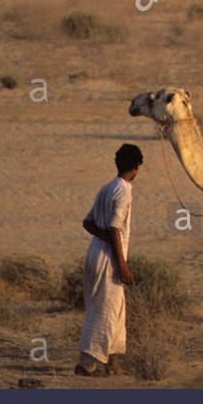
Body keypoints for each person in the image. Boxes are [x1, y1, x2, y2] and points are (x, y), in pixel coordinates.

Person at [76, 143, 140, 377]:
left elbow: (88, 222)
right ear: (137, 167)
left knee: (114, 309)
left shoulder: (106, 187)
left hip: (96, 251)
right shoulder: (124, 190)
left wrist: (102, 235)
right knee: (104, 310)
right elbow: (115, 227)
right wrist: (122, 264)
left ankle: (112, 362)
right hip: (109, 257)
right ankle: (86, 364)